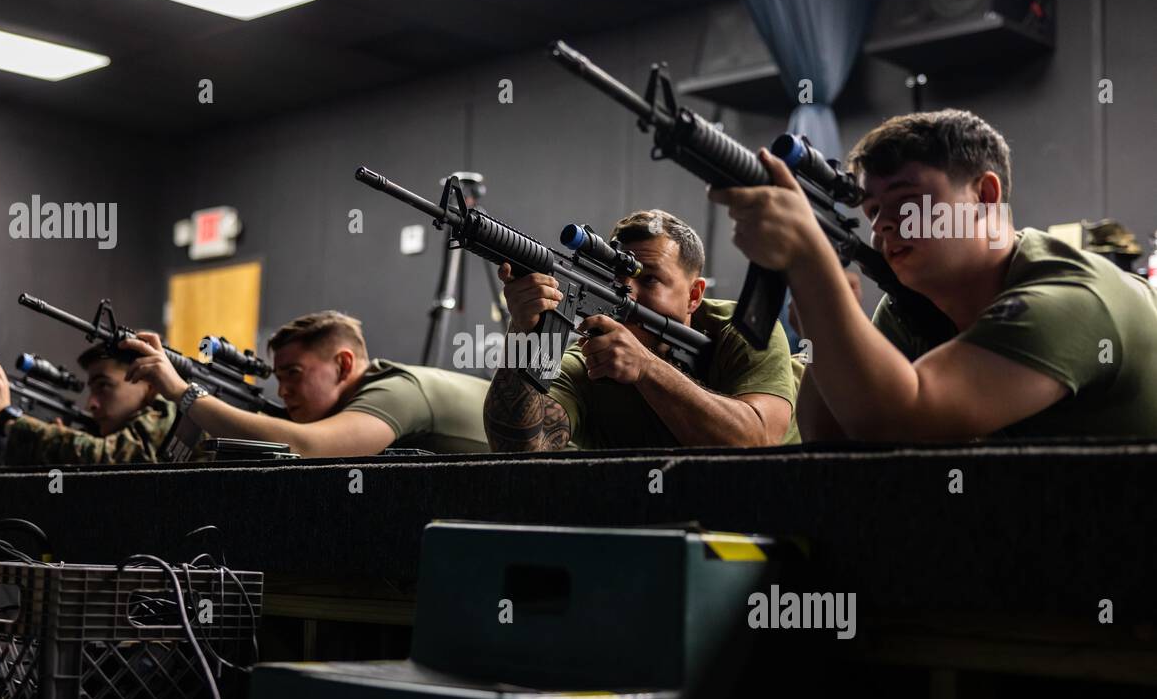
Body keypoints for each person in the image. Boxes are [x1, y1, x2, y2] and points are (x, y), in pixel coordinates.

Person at [711, 108, 1157, 441]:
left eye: (907, 203)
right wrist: (818, 318)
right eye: (872, 211)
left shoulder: (1068, 298)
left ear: (984, 196)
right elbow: (832, 440)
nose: (883, 225)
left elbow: (902, 420)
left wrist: (812, 265)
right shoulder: (910, 306)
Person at [482, 209, 799, 452]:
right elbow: (519, 448)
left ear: (694, 295)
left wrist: (647, 368)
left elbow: (759, 443)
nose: (627, 293)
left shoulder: (741, 328)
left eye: (649, 280)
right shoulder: (588, 362)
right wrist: (524, 332)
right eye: (617, 280)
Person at [122, 310, 491, 456]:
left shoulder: (397, 391)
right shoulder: (385, 384)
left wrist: (183, 393)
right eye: (278, 378)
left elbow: (306, 447)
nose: (282, 392)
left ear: (344, 364)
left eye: (294, 375)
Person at [0, 343, 176, 465]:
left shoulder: (172, 415)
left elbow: (106, 456)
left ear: (150, 386)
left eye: (104, 386)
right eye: (92, 389)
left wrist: (8, 420)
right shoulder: (112, 431)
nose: (91, 404)